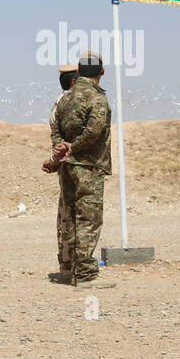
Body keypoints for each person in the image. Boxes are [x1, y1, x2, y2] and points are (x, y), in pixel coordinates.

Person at [54, 52, 115, 290]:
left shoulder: (66, 98)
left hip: (67, 167)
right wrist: (74, 147)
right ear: (101, 72)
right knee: (88, 220)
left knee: (71, 217)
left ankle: (74, 271)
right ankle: (87, 275)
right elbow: (94, 132)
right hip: (88, 166)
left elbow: (55, 129)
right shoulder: (98, 98)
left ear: (78, 72)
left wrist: (61, 148)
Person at [42, 63, 79, 282]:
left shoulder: (58, 103)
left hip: (65, 165)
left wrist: (53, 160)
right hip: (79, 165)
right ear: (75, 81)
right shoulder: (75, 103)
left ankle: (67, 263)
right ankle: (76, 266)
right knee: (78, 215)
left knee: (66, 213)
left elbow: (56, 140)